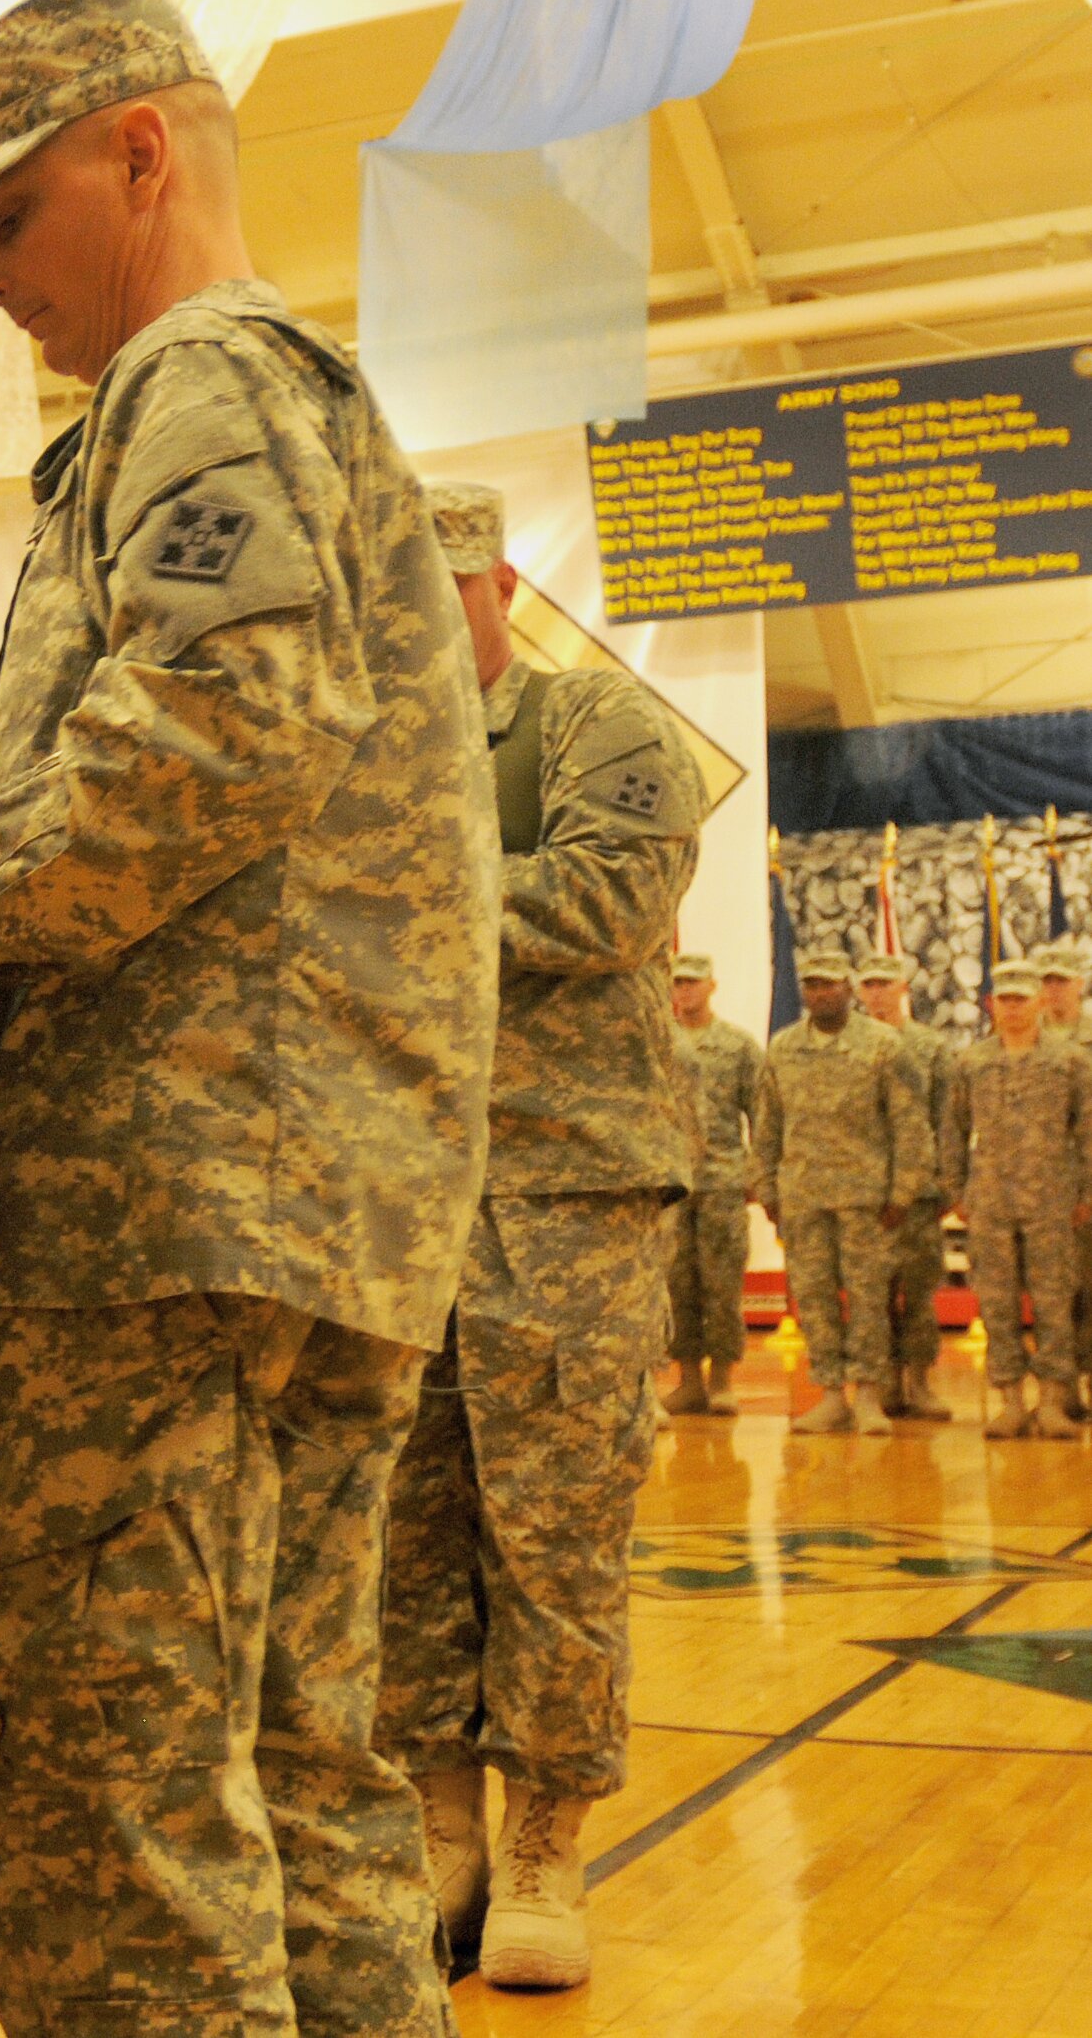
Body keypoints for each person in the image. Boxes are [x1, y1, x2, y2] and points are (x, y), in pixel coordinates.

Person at [0, 0, 498, 2036]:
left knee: (110, 1830)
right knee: (312, 1792)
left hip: (159, 1224)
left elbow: (209, 743)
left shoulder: (201, 379)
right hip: (316, 1228)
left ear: (141, 152)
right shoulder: (280, 405)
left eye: (3, 222)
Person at [375, 483, 701, 1993]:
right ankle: (438, 1827)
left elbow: (608, 902)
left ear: (495, 577)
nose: (416, 622)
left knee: (554, 1522)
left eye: (440, 587)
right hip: (395, 1182)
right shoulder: (362, 745)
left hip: (565, 1183)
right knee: (406, 1523)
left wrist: (378, 888)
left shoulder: (599, 725)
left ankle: (546, 1838)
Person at [751, 951, 933, 1435]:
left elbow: (909, 1125)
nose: (820, 993)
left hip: (866, 1199)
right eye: (811, 985)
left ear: (848, 989)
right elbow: (769, 1125)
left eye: (830, 985)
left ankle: (870, 1395)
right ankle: (830, 1393)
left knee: (869, 1297)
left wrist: (903, 1192)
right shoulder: (783, 1048)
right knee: (813, 1299)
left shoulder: (884, 1047)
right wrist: (766, 1187)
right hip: (803, 1196)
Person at [943, 957, 1092, 1440]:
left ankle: (1052, 1401)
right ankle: (1010, 1400)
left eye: (1021, 999)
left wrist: (1087, 1191)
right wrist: (956, 1190)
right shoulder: (973, 1062)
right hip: (990, 1202)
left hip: (1052, 1200)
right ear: (991, 1004)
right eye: (1004, 999)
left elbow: (1088, 1132)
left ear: (1040, 1003)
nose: (1012, 1009)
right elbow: (953, 1130)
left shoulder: (1070, 1062)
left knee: (1054, 1303)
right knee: (998, 1304)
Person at [854, 952, 957, 1420]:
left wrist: (943, 1183)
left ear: (903, 989)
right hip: (864, 1191)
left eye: (885, 984)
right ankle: (881, 1385)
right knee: (870, 1293)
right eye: (869, 985)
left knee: (917, 1291)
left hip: (917, 1192)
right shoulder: (849, 1045)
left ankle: (919, 1382)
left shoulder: (930, 1047)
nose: (877, 993)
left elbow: (946, 1121)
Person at [666, 953, 761, 1418]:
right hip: (672, 1184)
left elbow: (761, 1115)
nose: (685, 991)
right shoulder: (659, 1042)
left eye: (692, 983)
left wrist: (758, 1175)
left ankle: (722, 1378)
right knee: (676, 1285)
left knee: (722, 1285)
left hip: (722, 1179)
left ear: (712, 986)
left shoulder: (738, 1047)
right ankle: (687, 1380)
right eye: (678, 983)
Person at [1038, 943, 1092, 1421]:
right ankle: (1063, 1386)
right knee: (1057, 1290)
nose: (1054, 989)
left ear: (1080, 983)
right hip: (1044, 1187)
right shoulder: (1022, 1038)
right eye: (1047, 981)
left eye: (1062, 980)